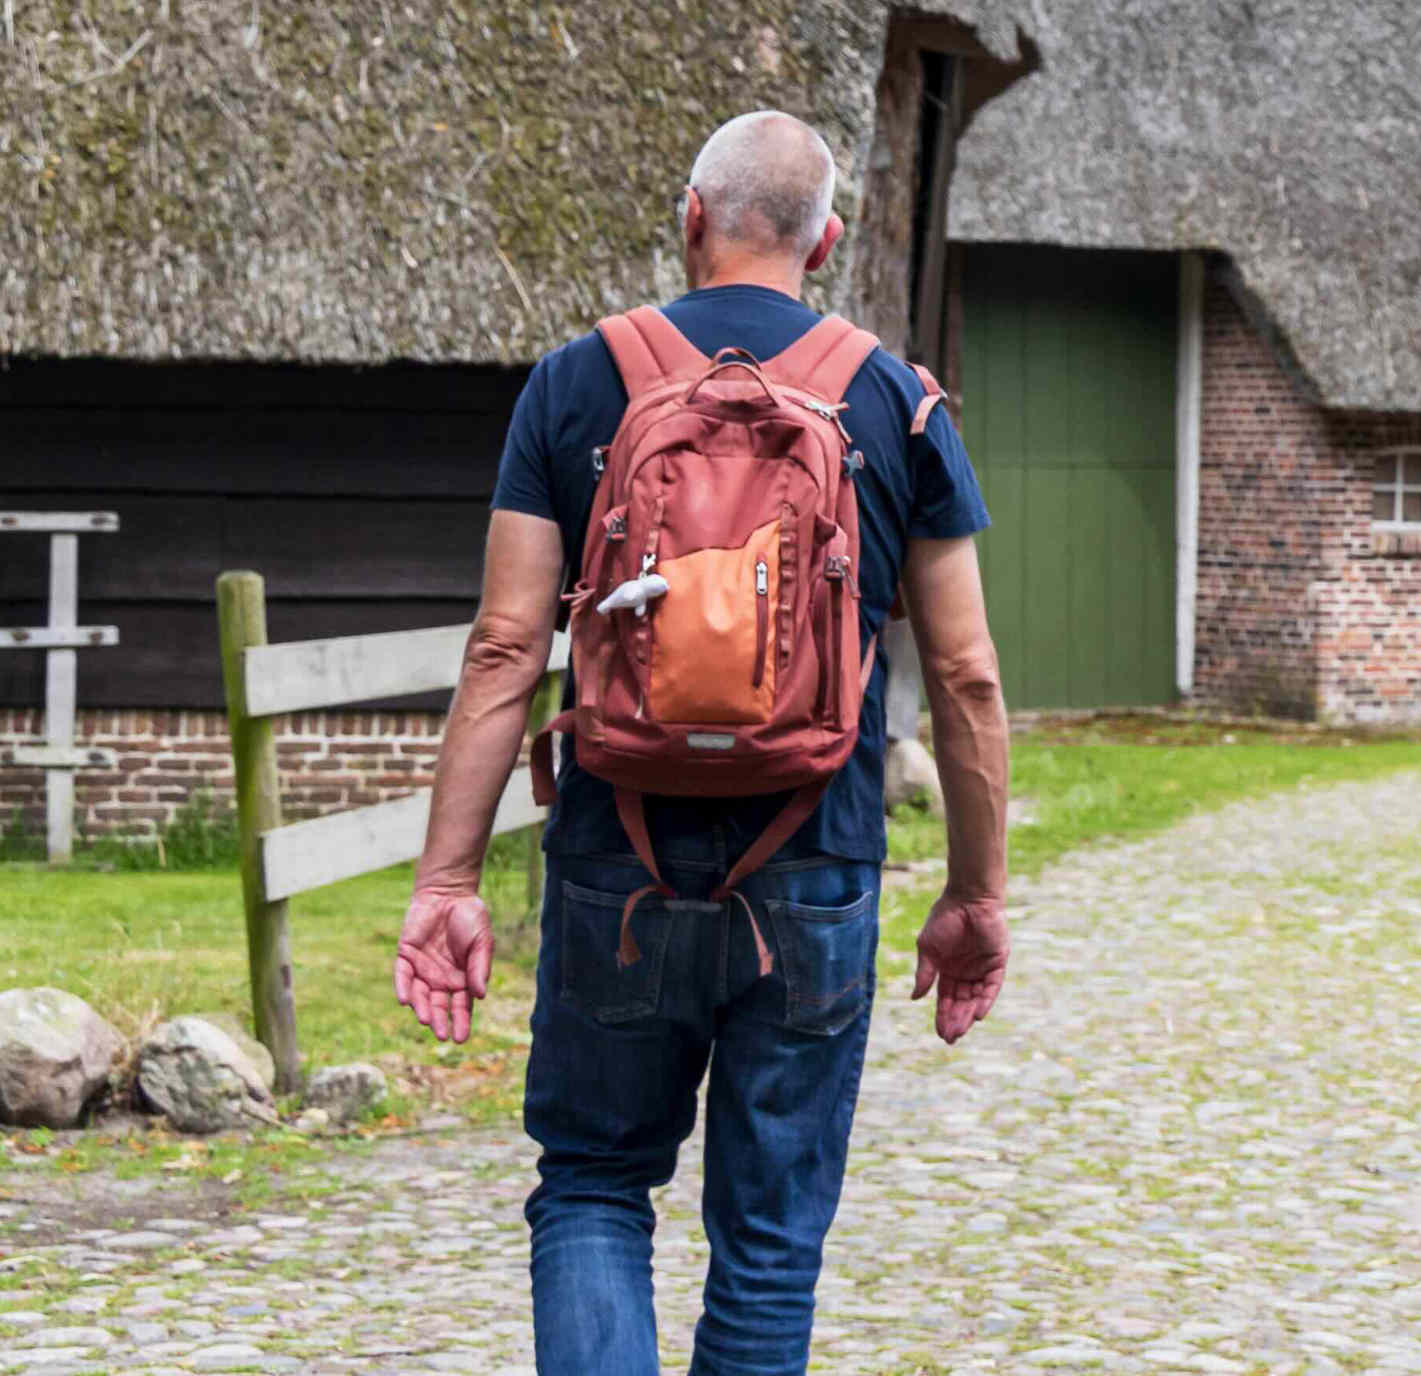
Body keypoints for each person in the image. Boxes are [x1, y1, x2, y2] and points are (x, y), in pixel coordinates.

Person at [394, 110, 1014, 1376]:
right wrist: (975, 892)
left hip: (615, 856)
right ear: (826, 240)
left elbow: (506, 647)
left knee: (592, 1187)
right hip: (816, 860)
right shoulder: (898, 402)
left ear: (690, 214)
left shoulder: (576, 383)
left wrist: (446, 880)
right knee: (772, 1238)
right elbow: (965, 672)